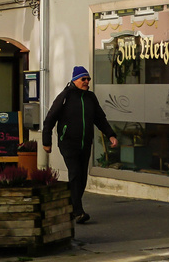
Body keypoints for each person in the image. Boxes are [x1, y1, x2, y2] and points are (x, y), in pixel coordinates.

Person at [42, 66, 118, 224]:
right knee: (75, 173)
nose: (86, 82)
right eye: (83, 79)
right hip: (68, 142)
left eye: (88, 79)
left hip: (85, 143)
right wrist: (46, 141)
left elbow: (100, 118)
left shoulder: (90, 97)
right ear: (75, 80)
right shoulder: (65, 96)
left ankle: (72, 206)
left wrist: (110, 134)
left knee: (82, 177)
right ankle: (78, 211)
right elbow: (50, 118)